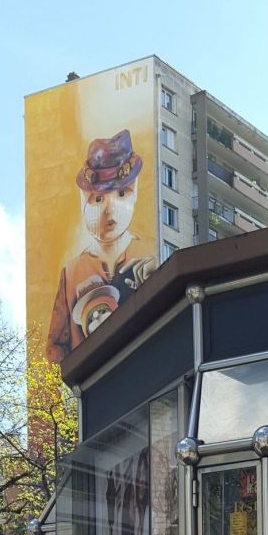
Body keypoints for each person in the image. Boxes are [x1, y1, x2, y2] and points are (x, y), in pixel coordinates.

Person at [46, 130, 156, 362]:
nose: (110, 211)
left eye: (122, 194)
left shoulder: (151, 255)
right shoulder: (72, 272)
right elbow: (53, 351)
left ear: (135, 192)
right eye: (98, 199)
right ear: (82, 199)